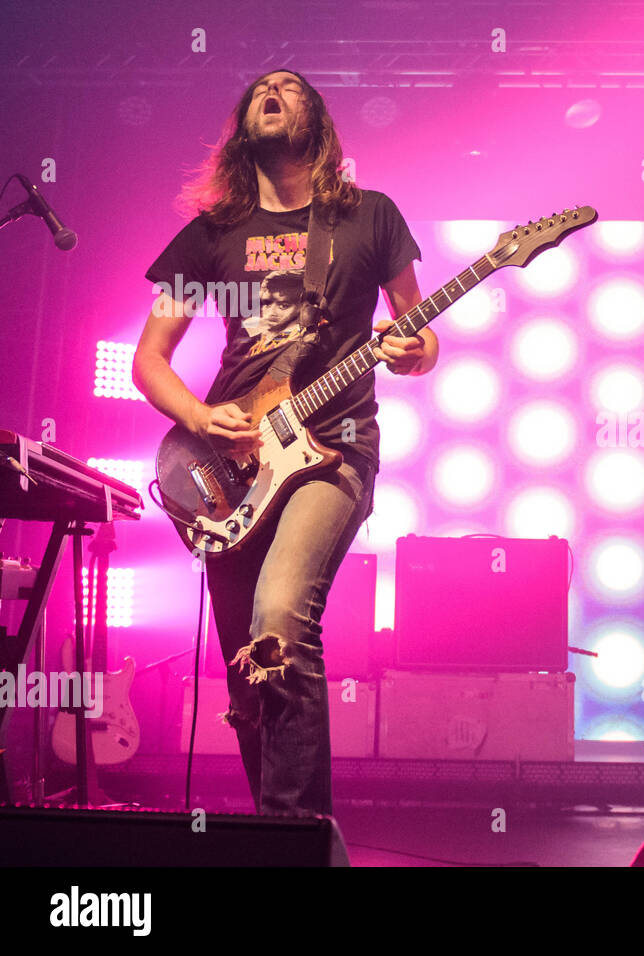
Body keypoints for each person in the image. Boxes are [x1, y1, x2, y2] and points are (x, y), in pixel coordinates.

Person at [133, 69, 437, 816]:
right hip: (233, 464)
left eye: (291, 87)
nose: (274, 90)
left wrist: (413, 351)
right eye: (261, 88)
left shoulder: (367, 217)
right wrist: (202, 420)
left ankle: (295, 844)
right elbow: (150, 361)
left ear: (318, 122)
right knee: (249, 670)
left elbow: (419, 333)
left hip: (333, 450)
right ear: (243, 124)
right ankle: (282, 830)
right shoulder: (215, 232)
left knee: (278, 619)